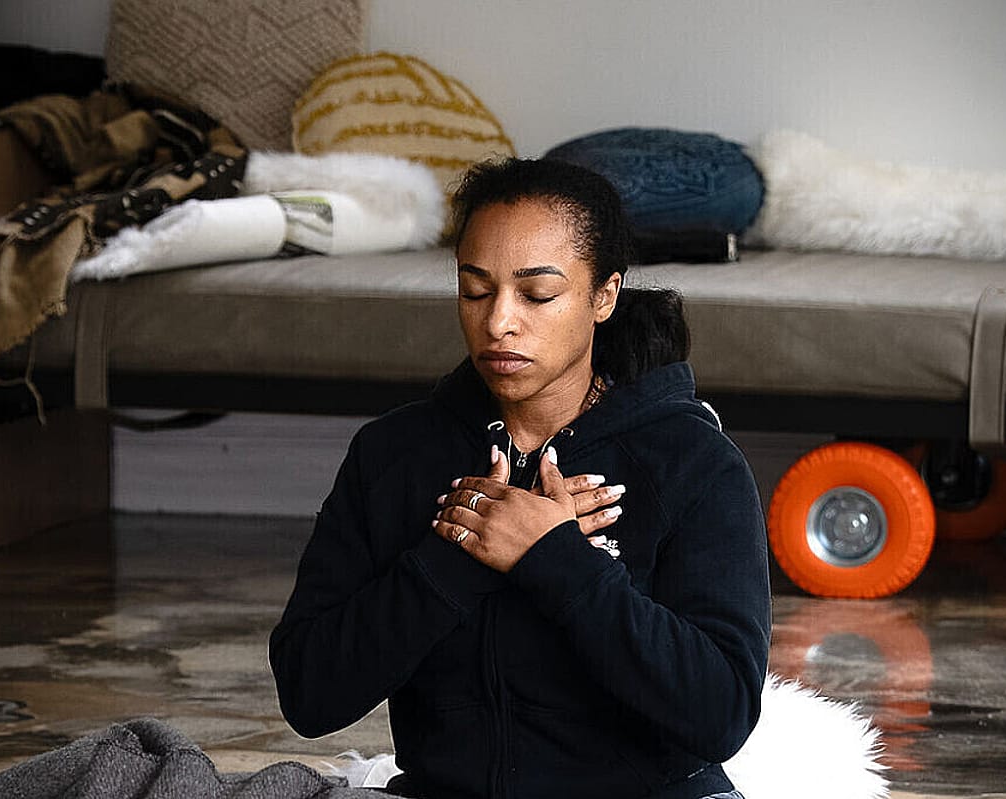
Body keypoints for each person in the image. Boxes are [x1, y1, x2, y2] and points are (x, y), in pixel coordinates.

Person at [270, 157, 772, 799]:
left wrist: (558, 561)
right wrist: (458, 560)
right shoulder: (392, 453)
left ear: (604, 296)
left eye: (537, 294)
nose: (498, 321)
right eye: (475, 290)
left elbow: (720, 712)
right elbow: (310, 696)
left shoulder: (693, 463)